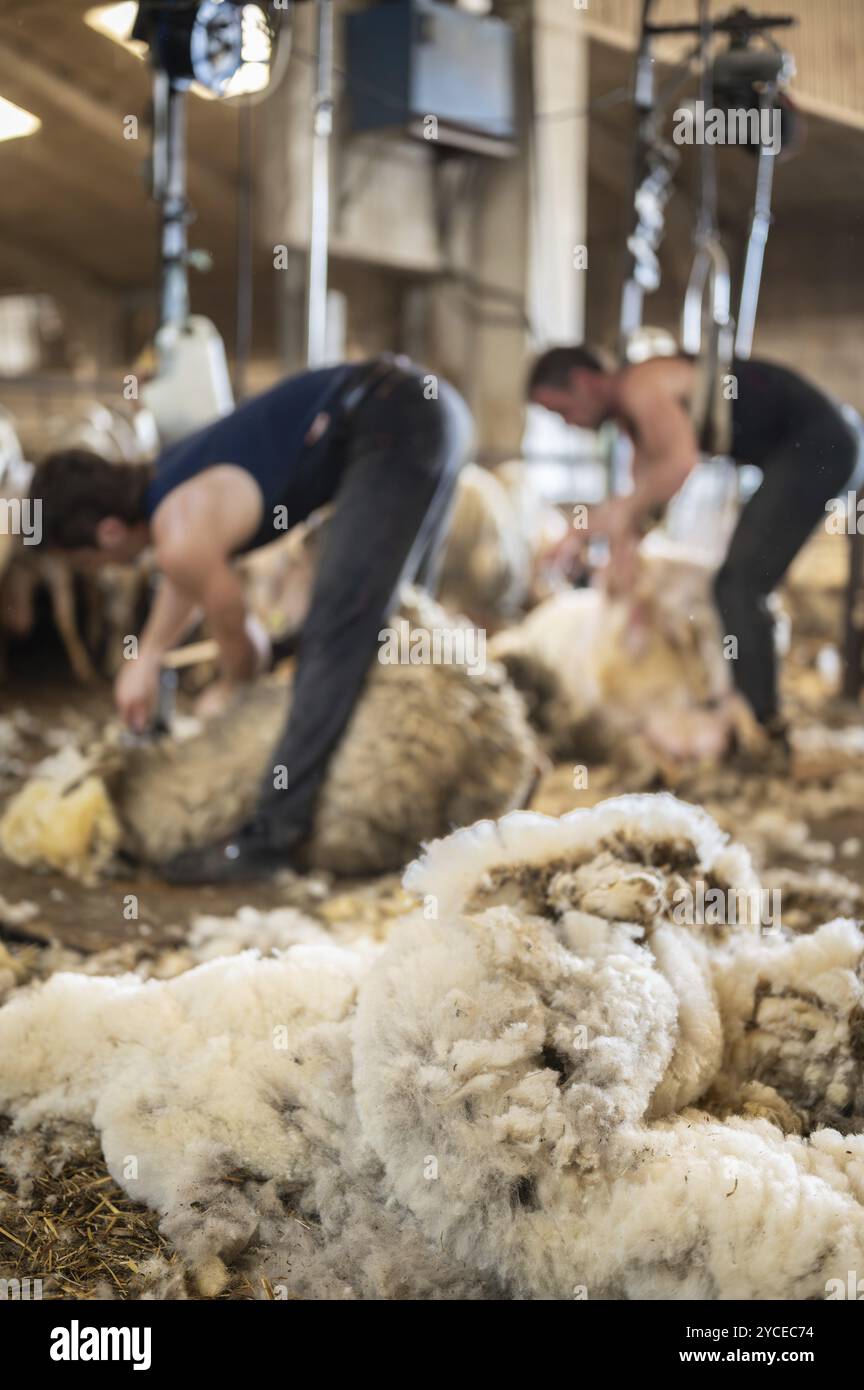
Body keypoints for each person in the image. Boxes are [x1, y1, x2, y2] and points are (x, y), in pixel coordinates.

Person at [35, 355, 472, 881]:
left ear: (107, 533)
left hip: (392, 420)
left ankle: (268, 841)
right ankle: (407, 817)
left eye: (86, 561)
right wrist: (147, 657)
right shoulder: (167, 488)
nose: (97, 571)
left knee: (338, 636)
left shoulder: (176, 534)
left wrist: (232, 692)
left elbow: (242, 640)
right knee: (393, 626)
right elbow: (189, 574)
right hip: (421, 409)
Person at [527, 345, 859, 735]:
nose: (568, 423)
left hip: (820, 444)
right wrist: (620, 566)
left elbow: (678, 465)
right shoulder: (634, 416)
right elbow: (643, 501)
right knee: (738, 584)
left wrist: (598, 521)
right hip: (810, 445)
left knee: (737, 587)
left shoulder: (642, 386)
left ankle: (761, 728)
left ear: (583, 383)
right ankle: (753, 718)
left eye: (561, 410)